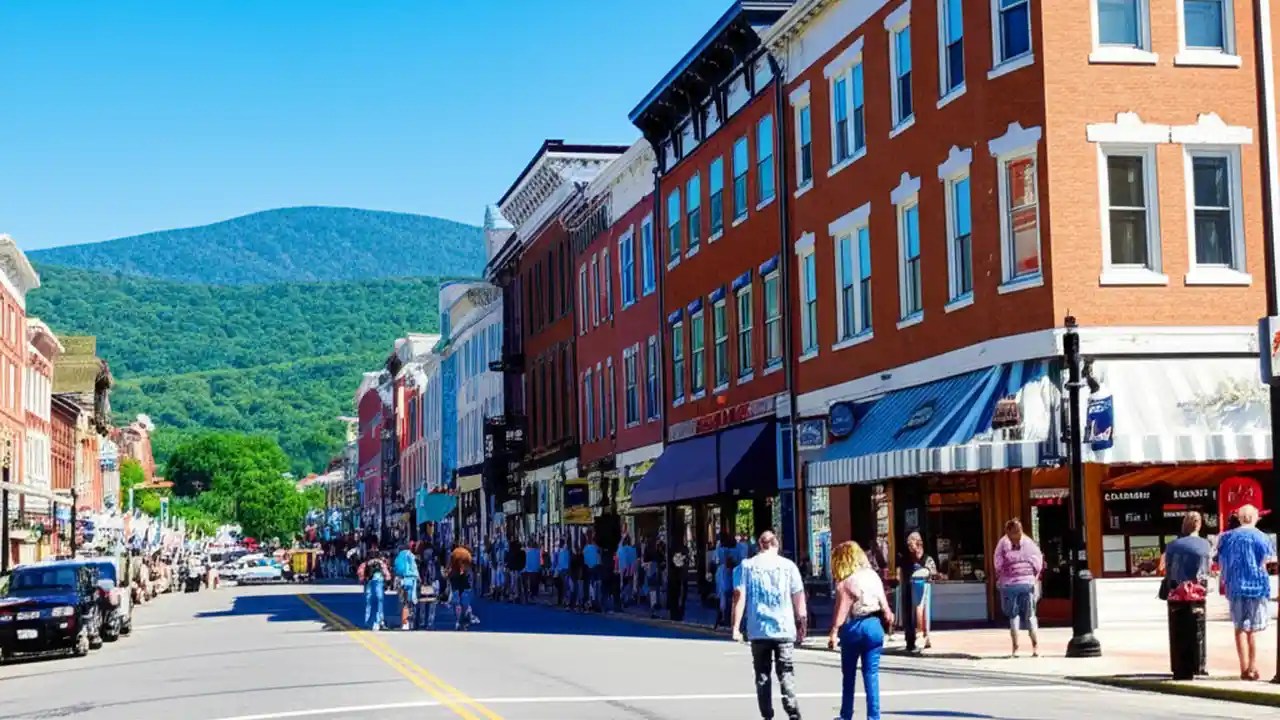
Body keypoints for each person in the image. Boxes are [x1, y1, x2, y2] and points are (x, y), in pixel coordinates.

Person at [732, 531, 806, 720]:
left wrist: (736, 627)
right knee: (786, 672)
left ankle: (767, 715)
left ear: (759, 546)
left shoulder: (747, 566)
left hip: (758, 630)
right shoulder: (789, 566)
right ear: (776, 544)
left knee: (762, 675)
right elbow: (798, 597)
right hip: (784, 628)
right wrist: (802, 622)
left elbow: (739, 597)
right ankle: (792, 711)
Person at [828, 541, 892, 720]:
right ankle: (874, 716)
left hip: (855, 627)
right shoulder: (873, 576)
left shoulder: (846, 582)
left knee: (848, 675)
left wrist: (834, 632)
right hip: (874, 625)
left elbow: (842, 611)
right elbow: (886, 608)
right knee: (871, 674)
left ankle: (846, 715)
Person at [1215, 504, 1278, 681]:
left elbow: (1218, 558)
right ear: (1255, 518)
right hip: (1257, 586)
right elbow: (1268, 560)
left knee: (1240, 627)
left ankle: (1243, 667)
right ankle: (1253, 666)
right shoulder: (1263, 538)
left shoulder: (1226, 538)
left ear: (1240, 518)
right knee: (1253, 629)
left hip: (1235, 585)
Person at [1161, 511, 1212, 678]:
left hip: (1177, 593)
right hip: (1197, 592)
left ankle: (1179, 664)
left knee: (1178, 630)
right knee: (1198, 629)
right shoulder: (1205, 545)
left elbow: (1165, 568)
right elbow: (1208, 569)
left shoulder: (1173, 545)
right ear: (1199, 525)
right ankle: (1199, 663)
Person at [993, 518, 1044, 657]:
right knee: (1030, 616)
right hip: (1027, 583)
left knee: (1013, 615)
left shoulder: (1002, 543)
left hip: (1009, 583)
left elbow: (998, 564)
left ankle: (1015, 649)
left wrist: (1002, 576)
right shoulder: (1029, 543)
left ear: (1007, 531)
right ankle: (1035, 647)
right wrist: (1034, 577)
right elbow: (1038, 563)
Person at [905, 531, 937, 650]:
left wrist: (929, 574)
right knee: (916, 610)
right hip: (913, 586)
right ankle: (919, 634)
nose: (911, 549)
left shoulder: (927, 559)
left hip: (925, 585)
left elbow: (933, 573)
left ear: (919, 545)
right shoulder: (908, 560)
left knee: (924, 611)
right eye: (909, 546)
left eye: (912, 545)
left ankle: (926, 635)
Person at [449, 543, 477, 630]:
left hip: (455, 578)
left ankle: (458, 621)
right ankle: (464, 620)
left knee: (457, 600)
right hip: (465, 579)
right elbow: (471, 567)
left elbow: (449, 566)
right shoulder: (467, 554)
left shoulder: (454, 553)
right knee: (465, 601)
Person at [714, 531, 738, 629]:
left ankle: (724, 616)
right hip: (733, 572)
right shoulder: (739, 549)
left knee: (723, 594)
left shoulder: (720, 549)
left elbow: (715, 561)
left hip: (724, 572)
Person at [394, 544, 420, 631]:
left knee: (403, 602)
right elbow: (414, 566)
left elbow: (395, 569)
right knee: (410, 602)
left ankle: (404, 622)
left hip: (401, 581)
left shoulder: (398, 557)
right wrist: (418, 577)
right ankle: (409, 622)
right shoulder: (409, 554)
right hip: (411, 580)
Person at [360, 551, 389, 631]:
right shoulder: (381, 563)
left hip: (369, 584)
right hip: (379, 583)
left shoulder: (365, 563)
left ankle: (367, 621)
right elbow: (387, 575)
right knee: (379, 602)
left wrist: (364, 580)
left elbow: (360, 575)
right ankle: (378, 622)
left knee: (369, 603)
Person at [583, 532, 603, 611]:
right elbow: (600, 557)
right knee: (597, 586)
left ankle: (590, 602)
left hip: (589, 569)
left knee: (590, 586)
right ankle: (596, 603)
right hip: (596, 568)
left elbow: (584, 559)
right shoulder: (597, 548)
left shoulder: (586, 548)